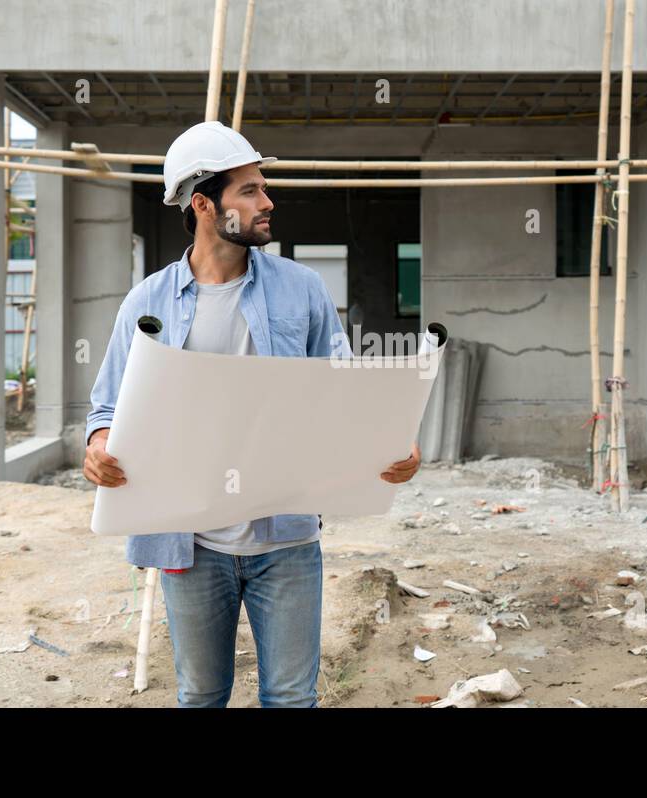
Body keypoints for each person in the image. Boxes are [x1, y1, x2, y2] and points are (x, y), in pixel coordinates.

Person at [82, 121, 421, 707]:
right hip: (189, 542)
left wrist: (391, 444)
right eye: (249, 191)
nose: (267, 202)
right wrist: (100, 446)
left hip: (284, 540)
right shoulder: (148, 303)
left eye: (264, 189)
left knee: (291, 698)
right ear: (203, 204)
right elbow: (107, 405)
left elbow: (342, 391)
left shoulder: (302, 289)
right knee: (201, 697)